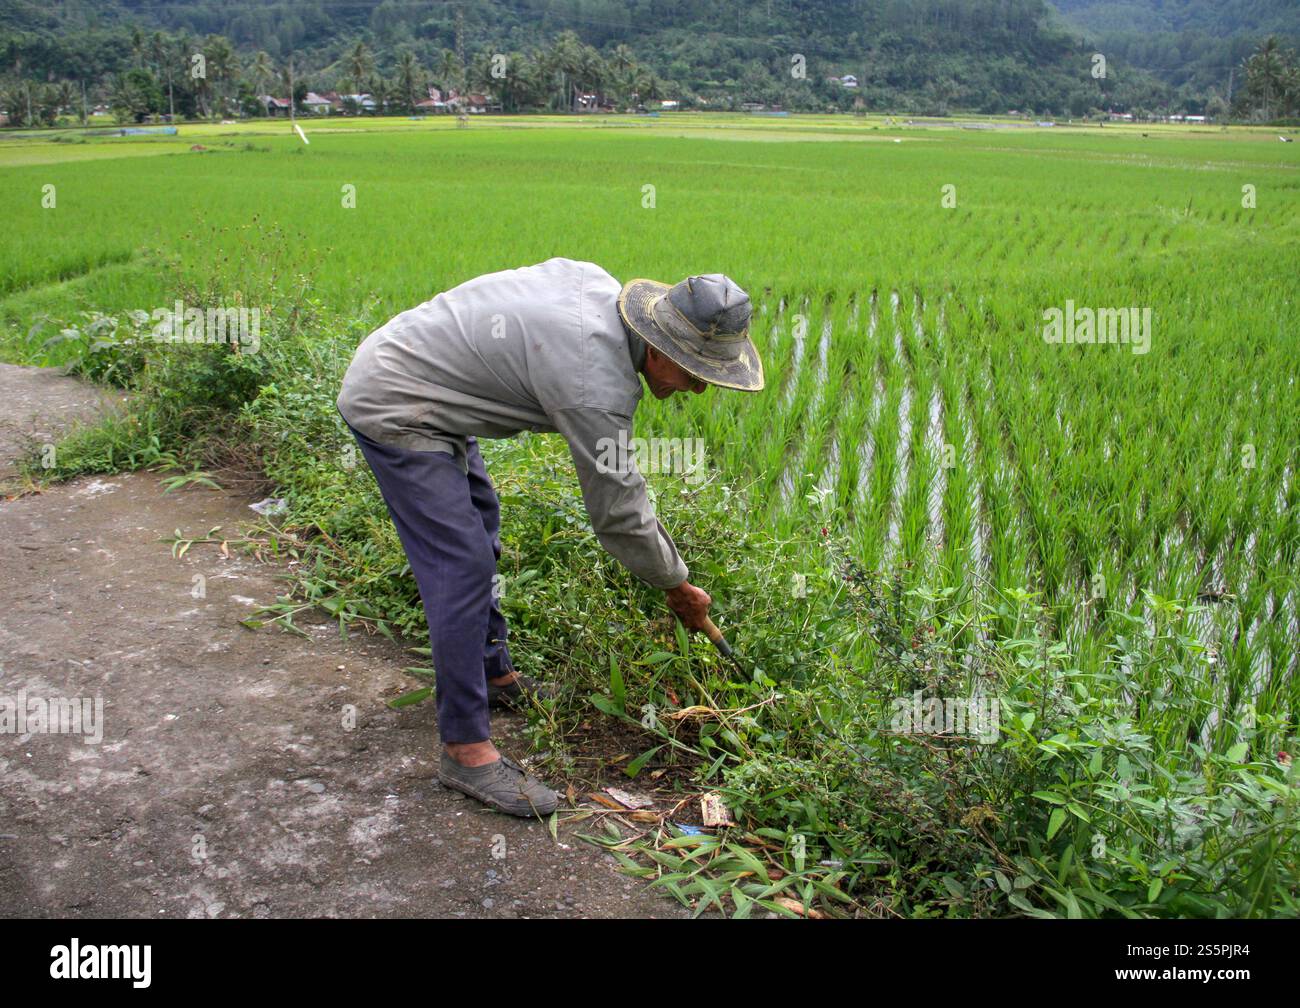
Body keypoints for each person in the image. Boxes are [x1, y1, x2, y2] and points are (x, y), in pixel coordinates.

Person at [336, 257, 764, 816]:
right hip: (396, 400)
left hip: (433, 388)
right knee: (460, 565)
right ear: (658, 349)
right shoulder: (595, 383)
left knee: (480, 527)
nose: (698, 391)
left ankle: (494, 674)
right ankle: (465, 749)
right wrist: (676, 583)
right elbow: (618, 513)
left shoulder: (597, 286)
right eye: (693, 374)